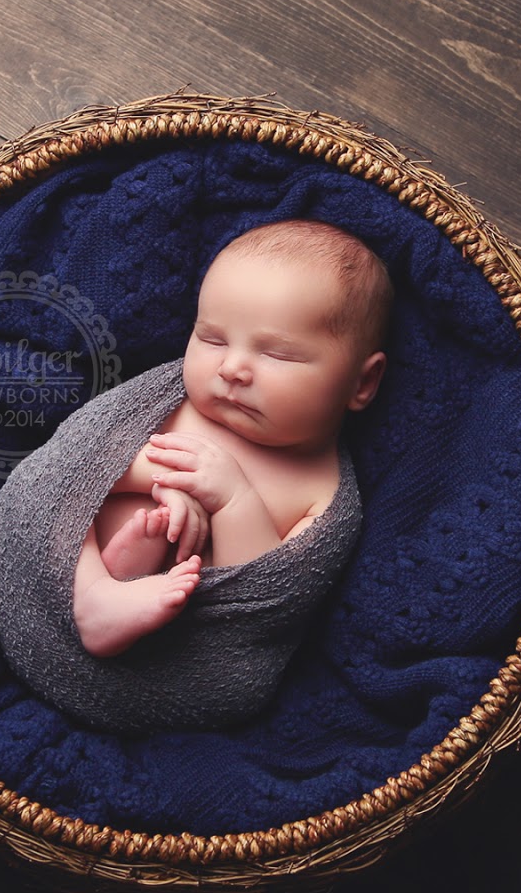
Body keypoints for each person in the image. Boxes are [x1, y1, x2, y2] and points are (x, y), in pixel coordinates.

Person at [69, 220, 390, 657]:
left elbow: (263, 596)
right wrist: (167, 482)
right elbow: (80, 461)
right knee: (57, 502)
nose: (232, 368)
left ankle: (123, 589)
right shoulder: (174, 404)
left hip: (176, 643)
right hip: (70, 565)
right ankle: (95, 588)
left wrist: (233, 501)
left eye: (277, 353)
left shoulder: (320, 494)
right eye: (212, 339)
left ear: (362, 382)